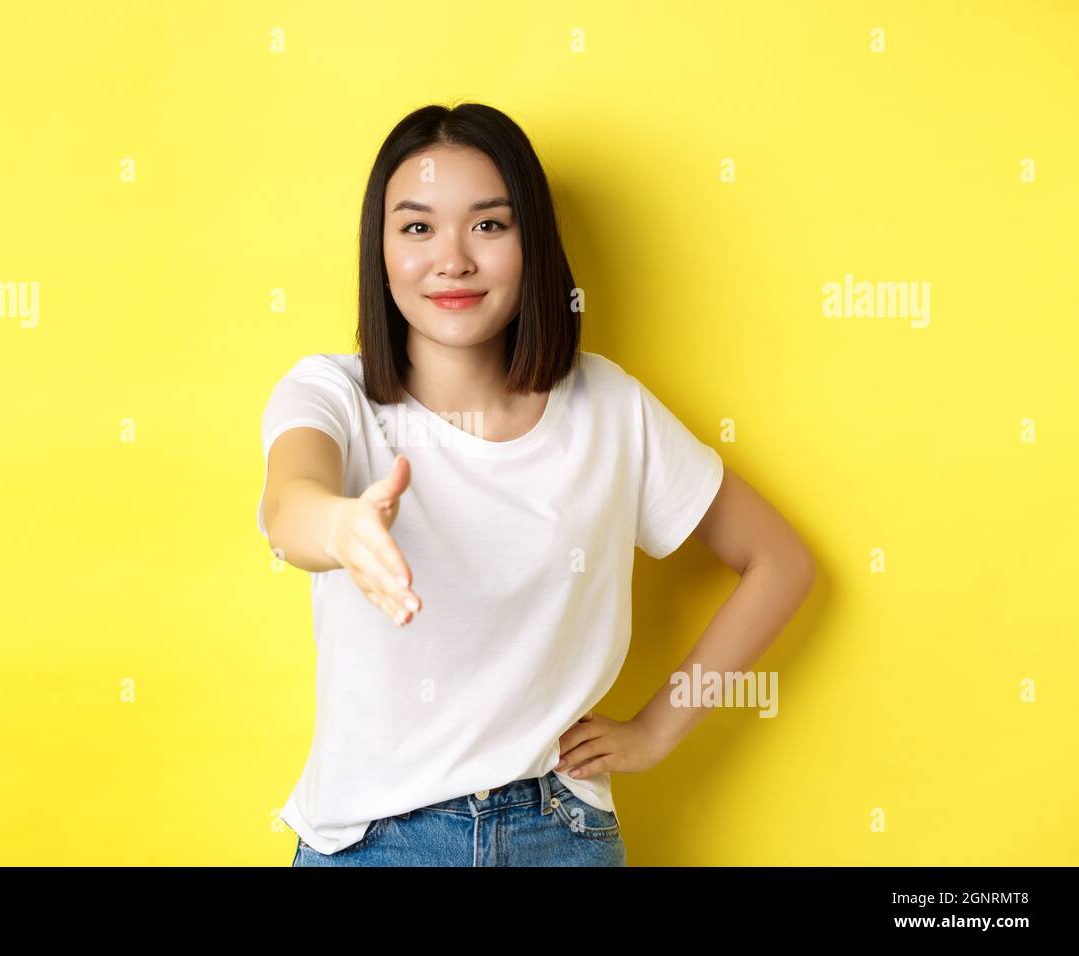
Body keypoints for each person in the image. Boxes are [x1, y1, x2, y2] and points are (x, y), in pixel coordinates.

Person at [256, 102, 816, 866]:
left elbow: (780, 563)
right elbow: (290, 502)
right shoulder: (331, 394)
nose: (452, 260)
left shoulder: (611, 409)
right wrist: (340, 528)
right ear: (380, 250)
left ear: (533, 245)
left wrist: (655, 731)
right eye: (417, 227)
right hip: (373, 842)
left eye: (489, 225)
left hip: (560, 832)